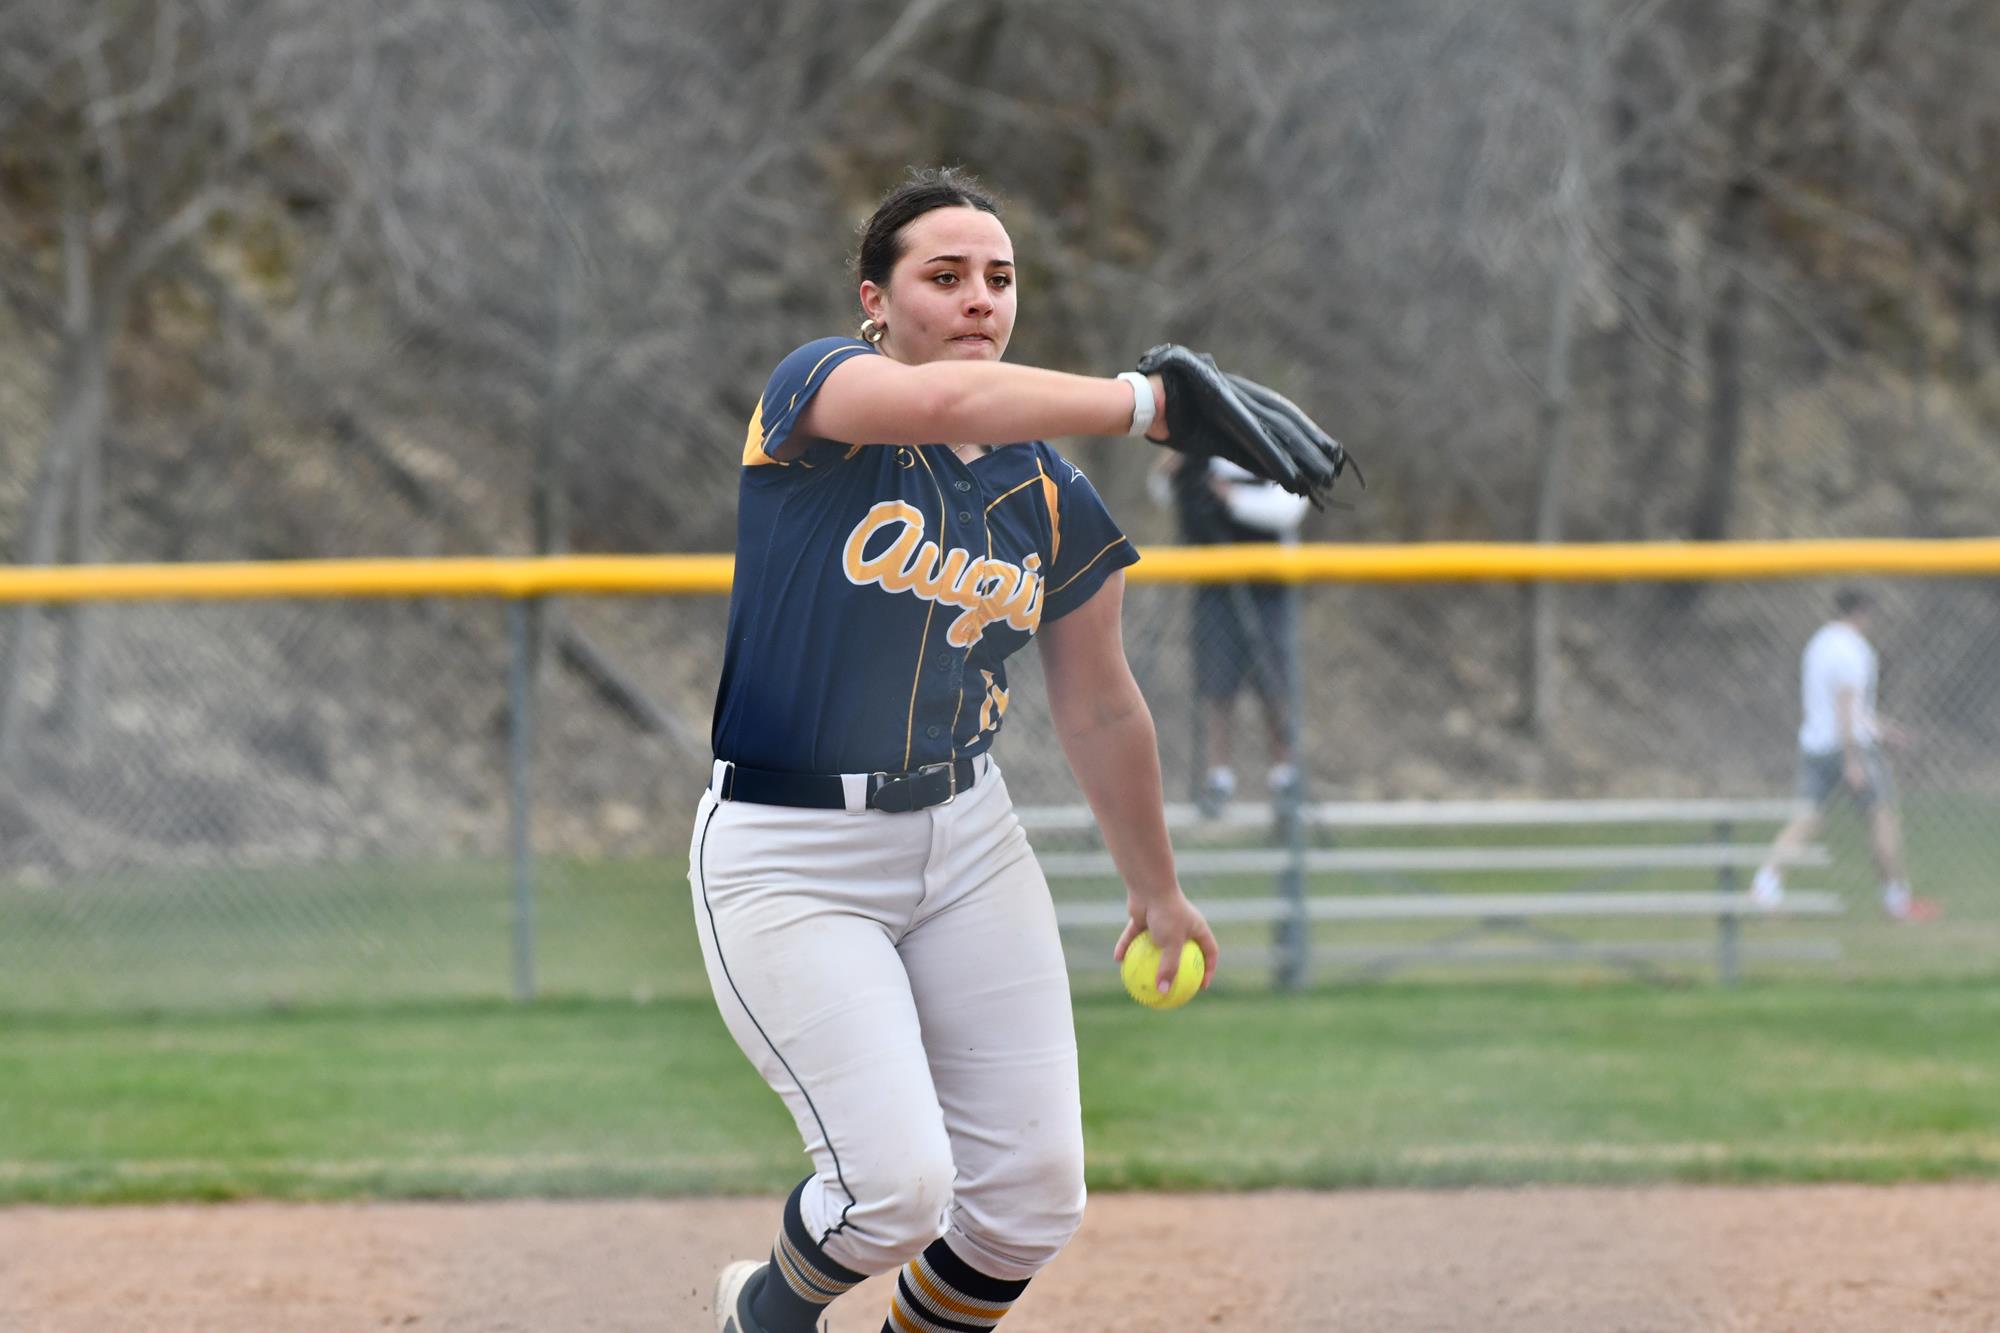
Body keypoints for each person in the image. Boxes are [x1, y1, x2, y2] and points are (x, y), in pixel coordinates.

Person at [691, 167, 1220, 1333]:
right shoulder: (819, 397)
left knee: (1029, 1203)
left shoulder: (1051, 497)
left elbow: (1098, 707)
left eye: (999, 277)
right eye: (943, 276)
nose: (979, 298)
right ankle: (764, 1316)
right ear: (873, 302)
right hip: (790, 852)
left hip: (966, 841)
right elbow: (942, 410)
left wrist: (1156, 887)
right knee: (892, 1194)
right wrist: (1143, 402)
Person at [1750, 587, 1938, 921]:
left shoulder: (1819, 643)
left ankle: (1765, 887)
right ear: (1862, 612)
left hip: (1815, 745)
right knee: (1882, 819)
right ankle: (1897, 900)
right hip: (1849, 747)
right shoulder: (1853, 649)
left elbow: (1848, 706)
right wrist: (1853, 760)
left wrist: (1885, 730)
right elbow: (1846, 705)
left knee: (1805, 820)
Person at [1153, 453, 1310, 818]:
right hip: (1216, 584)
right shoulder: (1203, 452)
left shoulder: (1273, 449)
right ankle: (1218, 778)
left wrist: (1230, 498)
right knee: (1217, 684)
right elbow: (1166, 492)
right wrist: (1172, 470)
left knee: (1274, 682)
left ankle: (1285, 777)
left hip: (1268, 583)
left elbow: (1287, 509)